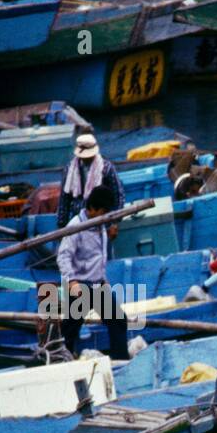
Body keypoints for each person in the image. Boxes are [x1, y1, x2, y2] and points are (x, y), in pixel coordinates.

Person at [55, 186, 130, 361]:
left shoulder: (99, 225)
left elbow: (99, 256)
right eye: (102, 212)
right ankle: (62, 359)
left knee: (118, 320)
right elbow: (63, 256)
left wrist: (103, 280)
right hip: (80, 285)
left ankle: (120, 360)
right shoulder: (75, 226)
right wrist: (72, 281)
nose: (104, 216)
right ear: (92, 209)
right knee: (71, 328)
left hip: (97, 285)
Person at [57, 133, 124, 234]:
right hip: (77, 221)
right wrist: (62, 226)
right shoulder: (69, 170)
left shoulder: (106, 168)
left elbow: (118, 195)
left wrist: (114, 222)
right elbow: (64, 199)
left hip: (102, 221)